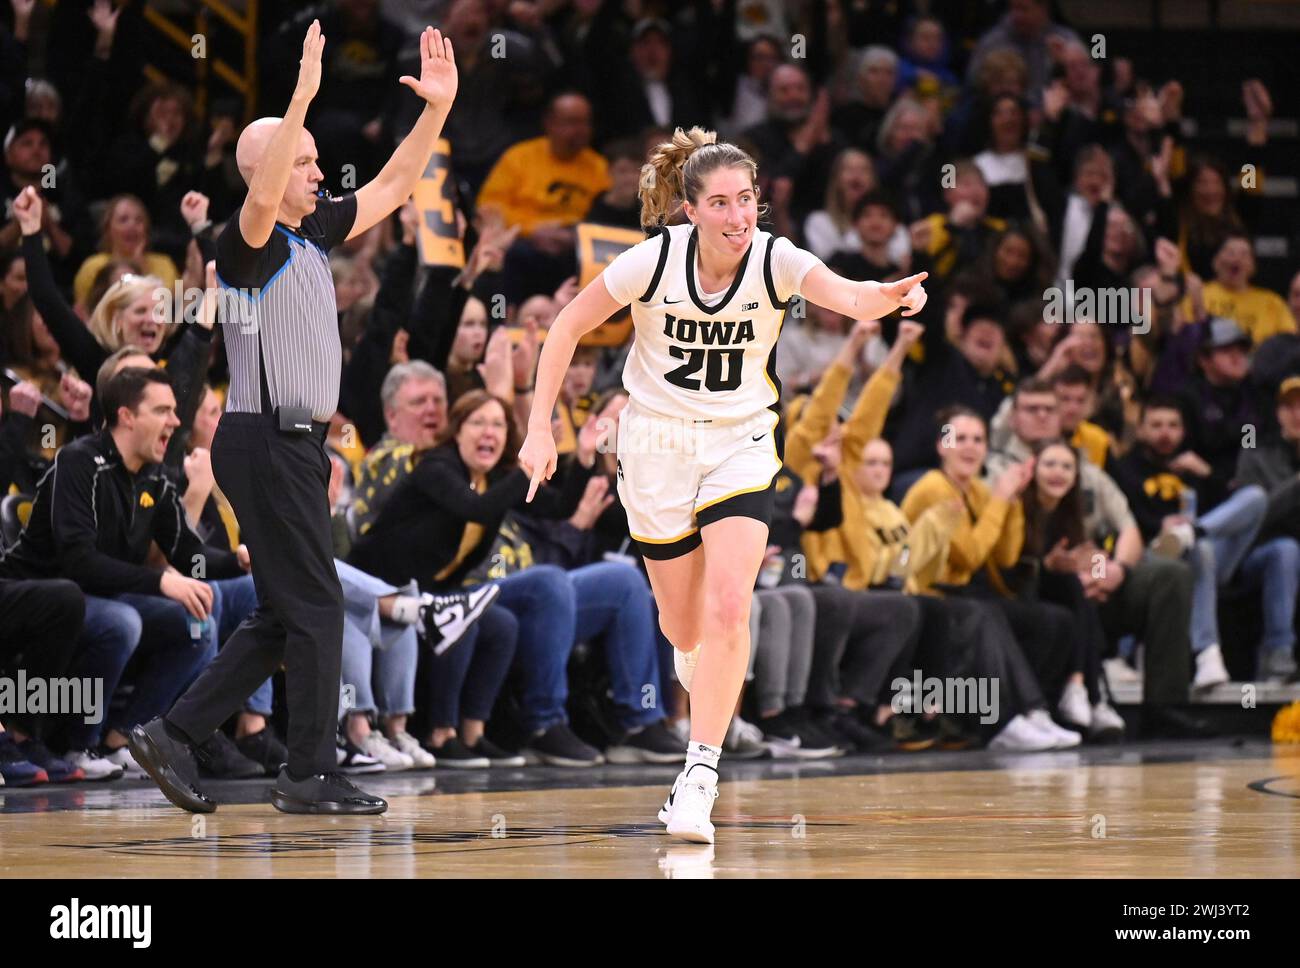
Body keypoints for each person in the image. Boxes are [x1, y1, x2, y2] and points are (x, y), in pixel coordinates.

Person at [517, 126, 929, 844]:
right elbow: (565, 329)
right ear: (690, 210)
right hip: (657, 448)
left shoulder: (776, 259)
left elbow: (848, 296)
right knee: (685, 627)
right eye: (722, 203)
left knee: (732, 602)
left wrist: (883, 298)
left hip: (741, 443)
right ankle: (696, 657)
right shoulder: (652, 262)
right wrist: (538, 426)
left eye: (748, 200)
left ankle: (698, 776)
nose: (740, 216)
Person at [127, 21, 463, 817]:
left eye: (315, 159)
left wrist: (436, 113)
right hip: (264, 438)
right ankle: (309, 774)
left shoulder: (309, 234)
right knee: (315, 608)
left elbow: (390, 188)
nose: (318, 174)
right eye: (303, 162)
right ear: (266, 176)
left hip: (294, 444)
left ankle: (173, 736)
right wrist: (301, 96)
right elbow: (261, 195)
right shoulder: (243, 245)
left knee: (286, 614)